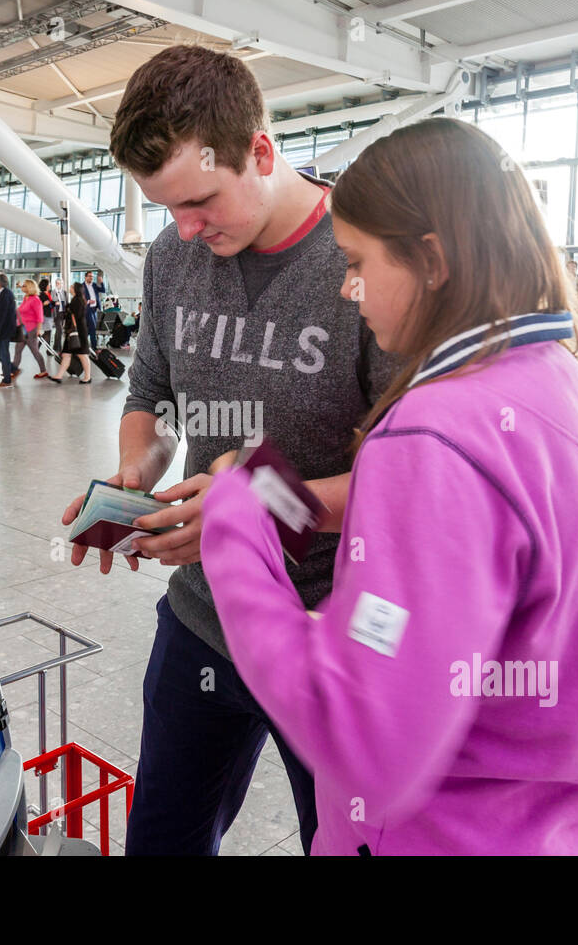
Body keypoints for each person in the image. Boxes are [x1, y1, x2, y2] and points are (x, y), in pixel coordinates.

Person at [196, 117, 578, 855]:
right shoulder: (558, 383)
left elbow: (365, 740)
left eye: (358, 261)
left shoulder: (432, 430)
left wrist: (235, 524)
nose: (348, 289)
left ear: (431, 260)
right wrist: (263, 487)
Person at [63, 43, 397, 857]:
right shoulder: (175, 259)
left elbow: (406, 479)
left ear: (261, 152)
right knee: (163, 843)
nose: (183, 229)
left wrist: (247, 509)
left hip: (331, 634)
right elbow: (152, 396)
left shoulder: (361, 264)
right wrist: (132, 479)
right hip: (204, 626)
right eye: (165, 207)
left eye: (201, 202)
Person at [46, 282, 92, 384]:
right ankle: (59, 376)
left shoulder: (77, 301)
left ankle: (88, 377)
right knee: (66, 354)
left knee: (83, 354)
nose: (70, 288)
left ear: (76, 289)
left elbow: (75, 316)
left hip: (77, 331)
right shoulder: (77, 299)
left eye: (71, 287)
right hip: (72, 331)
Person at [12, 278, 50, 379]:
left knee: (35, 351)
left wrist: (38, 330)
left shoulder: (36, 300)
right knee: (18, 350)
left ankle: (43, 371)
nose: (22, 287)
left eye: (24, 286)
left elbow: (40, 317)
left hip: (31, 330)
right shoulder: (26, 298)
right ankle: (13, 370)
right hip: (23, 329)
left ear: (29, 287)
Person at [82, 270, 101, 351]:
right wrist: (89, 301)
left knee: (91, 328)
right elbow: (81, 298)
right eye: (89, 276)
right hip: (87, 309)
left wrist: (101, 282)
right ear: (86, 277)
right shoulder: (82, 286)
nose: (91, 278)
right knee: (91, 328)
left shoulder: (94, 285)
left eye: (92, 276)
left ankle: (86, 346)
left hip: (94, 309)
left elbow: (102, 290)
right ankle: (93, 347)